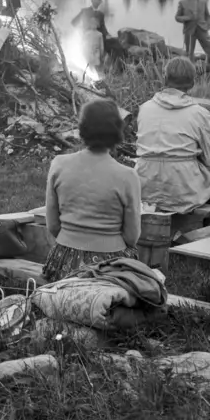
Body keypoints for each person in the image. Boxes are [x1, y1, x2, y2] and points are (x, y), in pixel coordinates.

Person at [42, 100, 142, 283]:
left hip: (64, 261)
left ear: (82, 129)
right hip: (108, 266)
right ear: (117, 131)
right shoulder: (128, 176)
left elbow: (53, 225)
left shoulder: (58, 164)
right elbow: (132, 237)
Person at [134, 57, 210, 214]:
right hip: (184, 192)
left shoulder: (144, 109)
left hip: (144, 189)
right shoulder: (200, 114)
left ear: (165, 78)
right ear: (192, 83)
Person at [71, 0, 128, 67]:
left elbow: (103, 27)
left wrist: (107, 35)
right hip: (88, 36)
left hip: (99, 36)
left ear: (100, 2)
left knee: (116, 44)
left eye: (98, 0)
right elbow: (74, 22)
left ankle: (120, 66)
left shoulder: (101, 14)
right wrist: (81, 31)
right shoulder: (85, 11)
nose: (96, 1)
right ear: (91, 0)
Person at [174, 0, 210, 67]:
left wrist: (208, 25)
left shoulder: (203, 1)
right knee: (189, 52)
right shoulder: (183, 2)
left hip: (202, 28)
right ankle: (190, 70)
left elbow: (207, 15)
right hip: (189, 30)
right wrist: (187, 18)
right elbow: (177, 17)